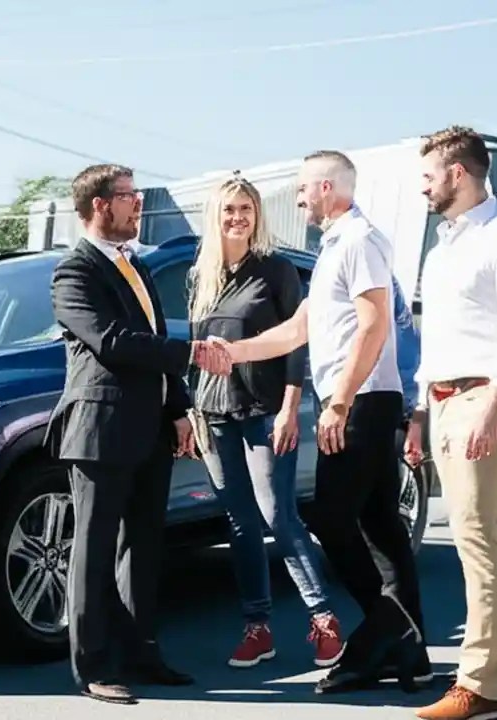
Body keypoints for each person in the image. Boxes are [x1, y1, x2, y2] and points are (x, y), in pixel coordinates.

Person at [207, 150, 429, 695]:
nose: (299, 197)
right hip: (360, 401)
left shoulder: (360, 242)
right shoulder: (334, 247)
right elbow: (295, 331)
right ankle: (410, 654)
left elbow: (374, 325)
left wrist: (339, 402)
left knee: (330, 519)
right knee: (381, 529)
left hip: (361, 403)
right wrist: (230, 353)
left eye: (304, 188)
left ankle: (384, 631)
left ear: (328, 187)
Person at [44, 163, 226, 705]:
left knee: (143, 548)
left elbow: (150, 341)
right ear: (99, 205)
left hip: (150, 429)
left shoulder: (136, 267)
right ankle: (94, 667)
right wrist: (191, 354)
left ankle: (141, 653)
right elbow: (114, 342)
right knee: (94, 551)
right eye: (128, 196)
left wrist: (178, 409)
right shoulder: (74, 273)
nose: (138, 204)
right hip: (100, 430)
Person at [407, 126, 497, 720]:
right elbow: (437, 339)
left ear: (458, 173)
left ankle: (480, 689)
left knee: (476, 540)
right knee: (491, 531)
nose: (424, 186)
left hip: (486, 397)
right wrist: (419, 411)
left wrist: (492, 404)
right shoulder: (443, 249)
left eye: (430, 175)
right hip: (443, 400)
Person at [184, 173, 344, 670]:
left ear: (257, 216)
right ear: (216, 215)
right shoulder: (201, 276)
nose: (238, 217)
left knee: (278, 515)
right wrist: (188, 413)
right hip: (214, 414)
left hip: (265, 412)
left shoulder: (275, 271)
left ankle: (323, 621)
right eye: (229, 209)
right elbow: (196, 353)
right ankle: (258, 628)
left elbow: (298, 340)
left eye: (246, 209)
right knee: (240, 523)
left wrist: (290, 407)